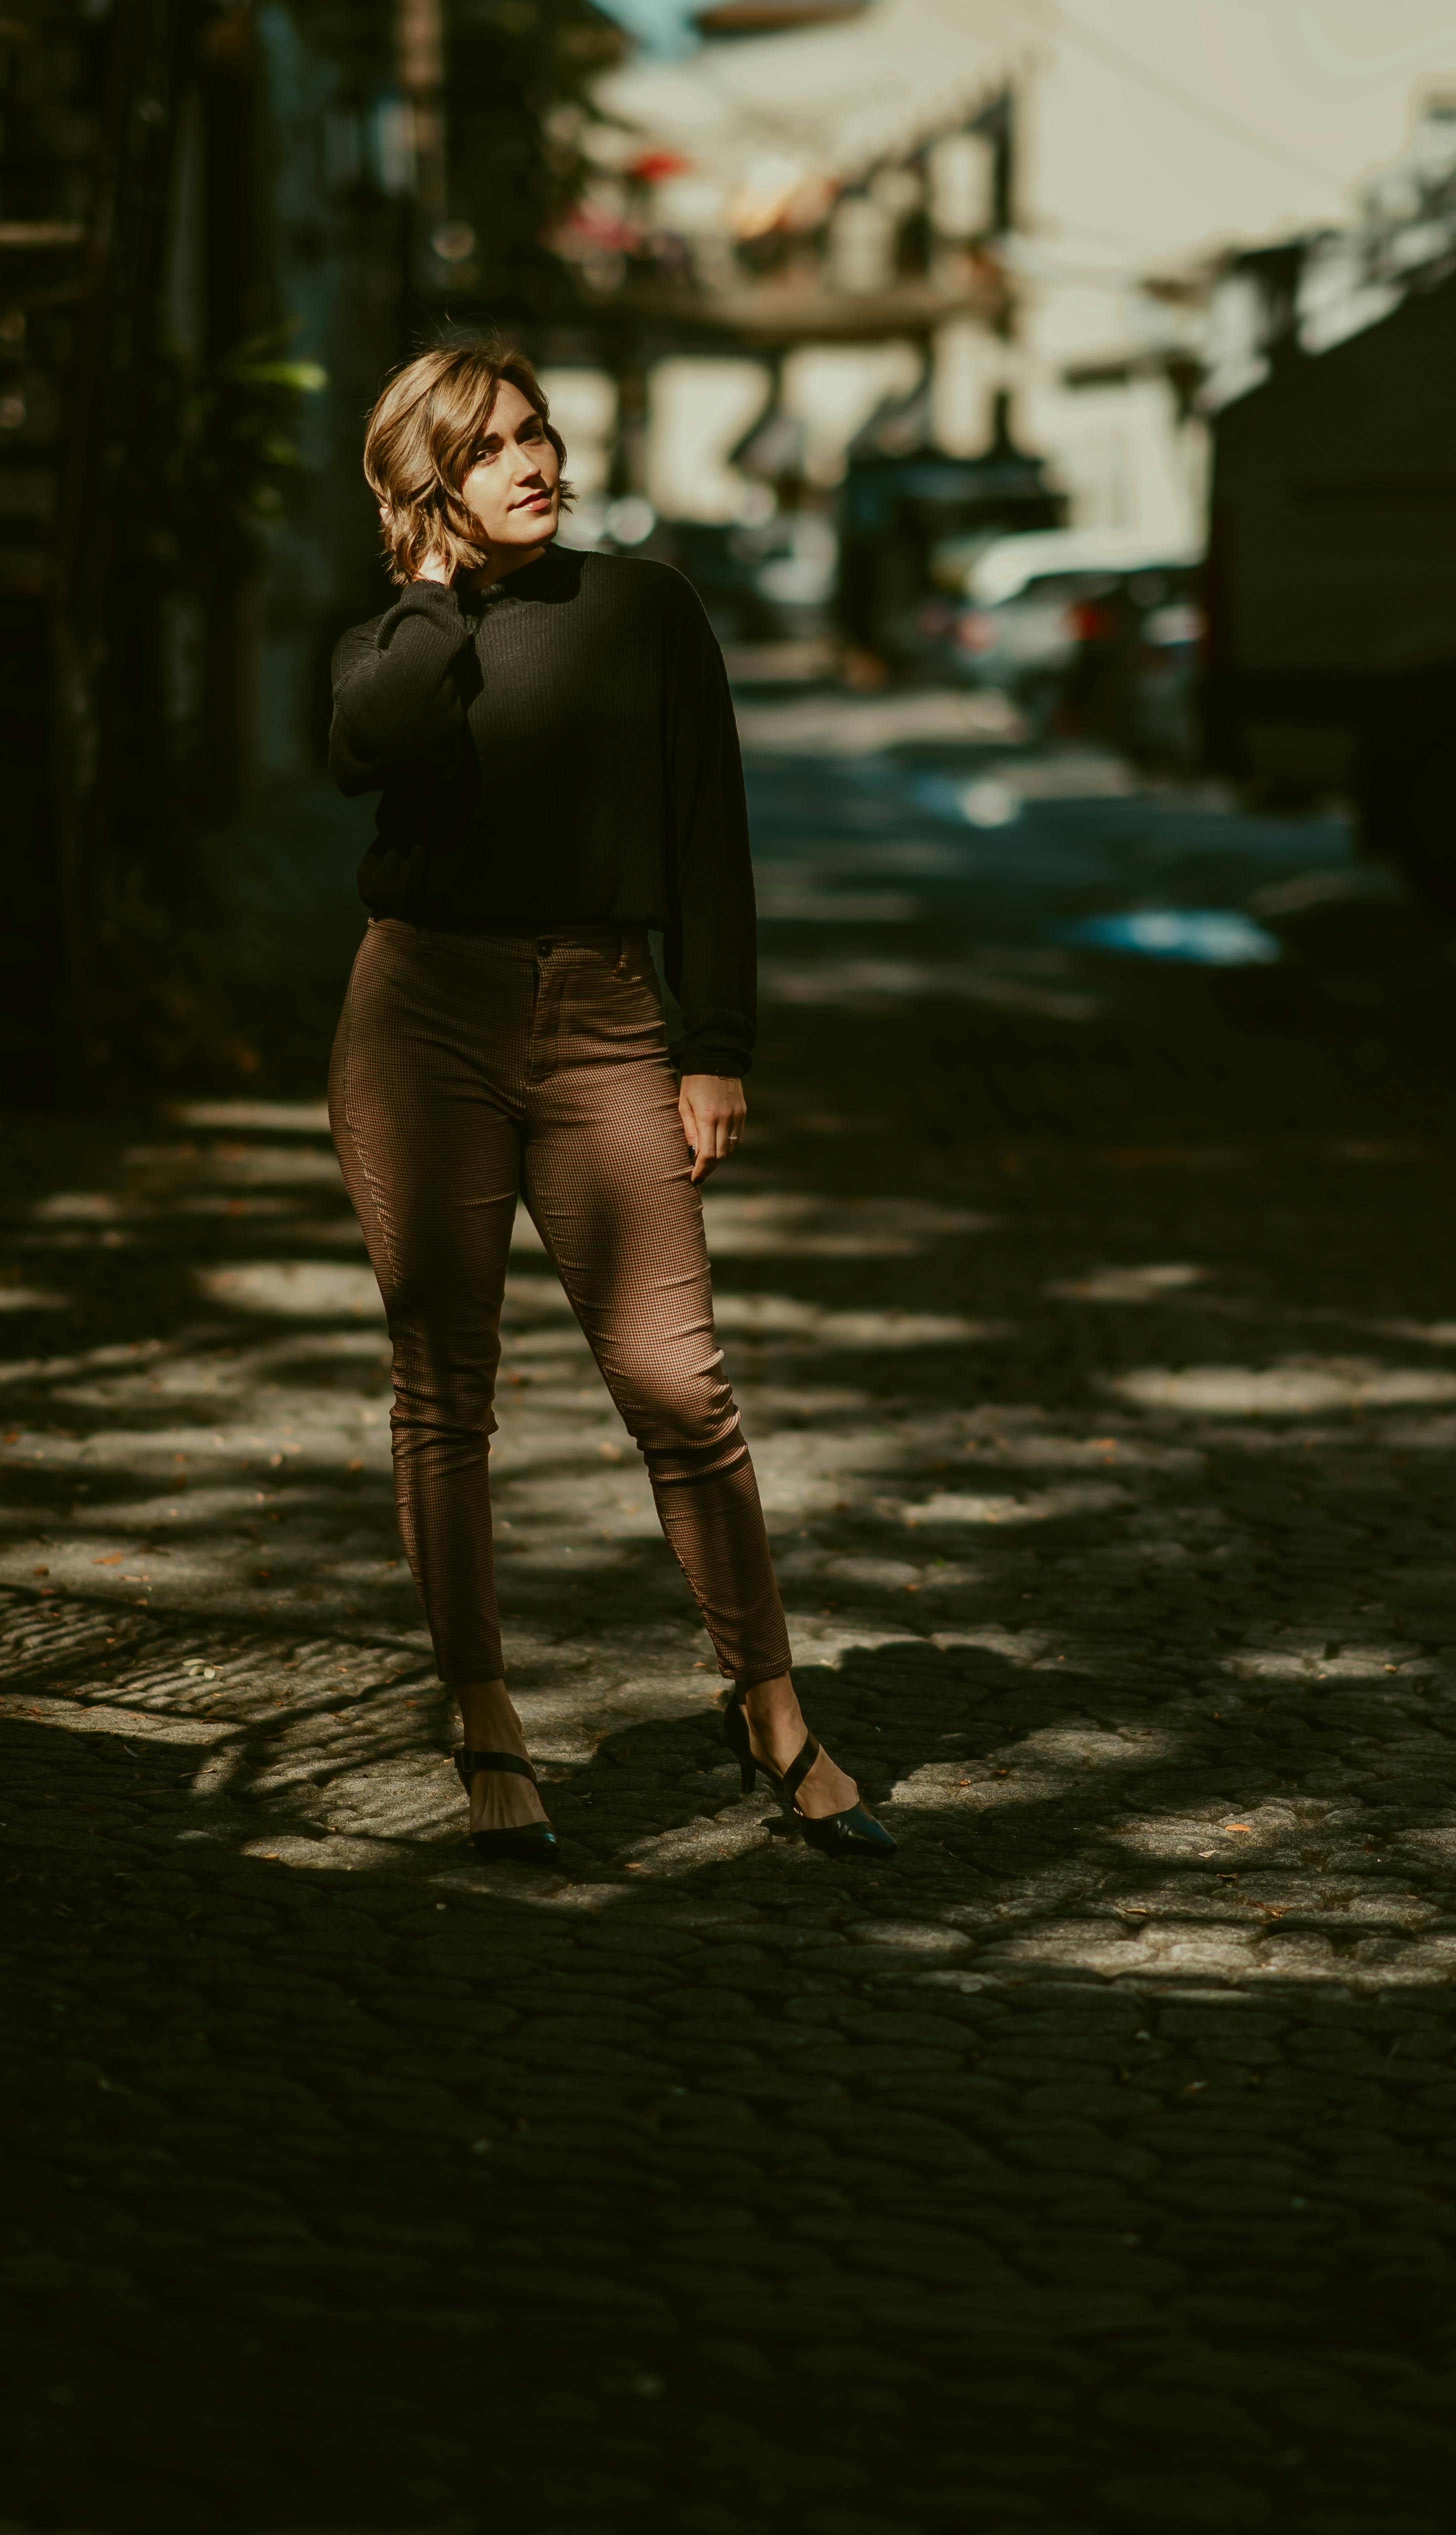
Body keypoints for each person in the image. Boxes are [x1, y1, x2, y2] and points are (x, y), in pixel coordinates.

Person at [326, 338, 893, 1866]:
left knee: (680, 1387)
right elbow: (370, 748)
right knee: (444, 1391)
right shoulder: (393, 641)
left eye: (537, 432)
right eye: (488, 446)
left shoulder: (645, 609)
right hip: (421, 1020)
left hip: (603, 1021)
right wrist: (437, 592)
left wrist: (719, 1043)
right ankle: (485, 1717)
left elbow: (710, 829)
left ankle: (771, 1708)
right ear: (429, 480)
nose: (532, 462)